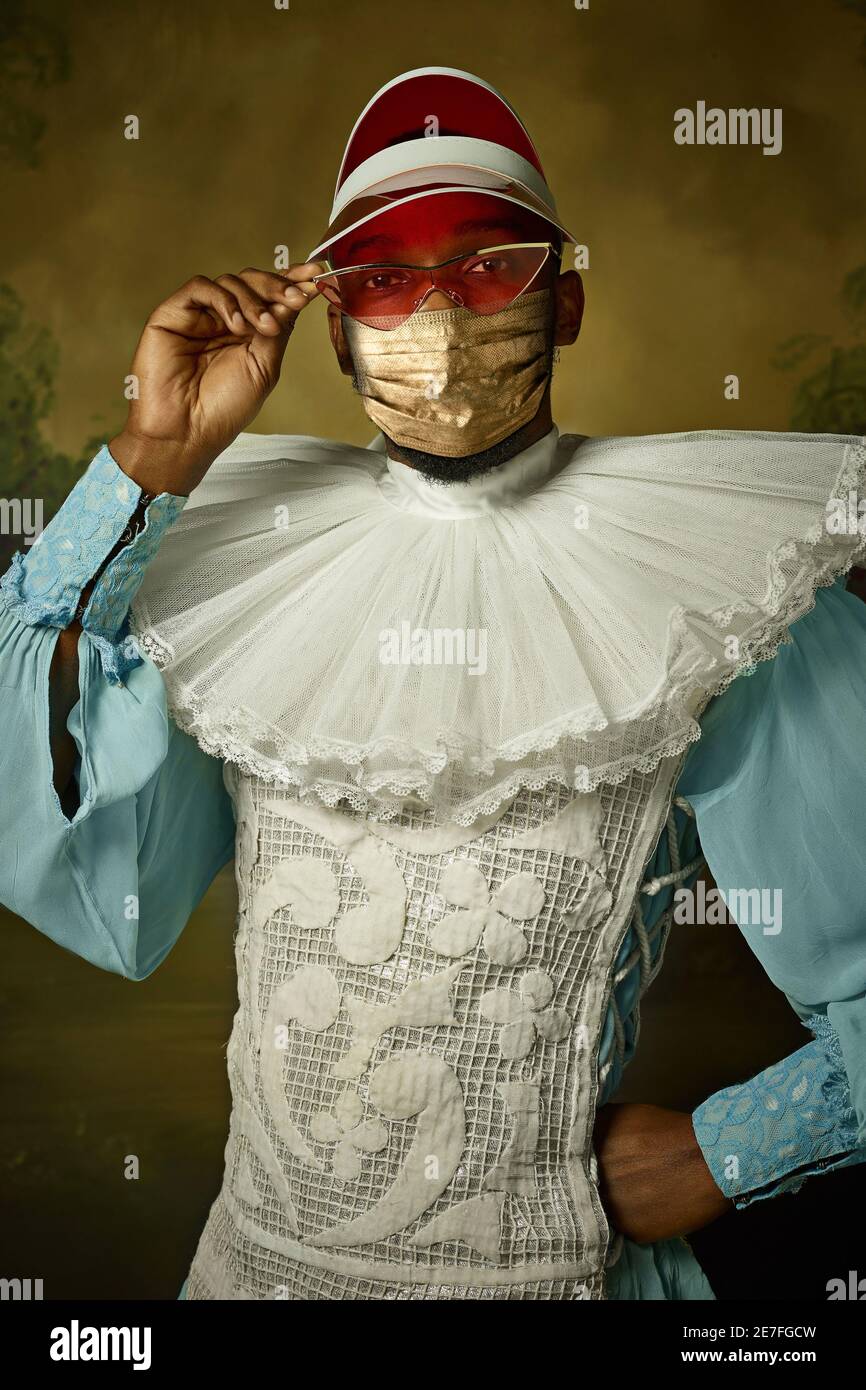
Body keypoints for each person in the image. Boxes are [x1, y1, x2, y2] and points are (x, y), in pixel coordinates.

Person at [1, 66, 865, 1301]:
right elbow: (97, 884)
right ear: (336, 323)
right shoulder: (236, 554)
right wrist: (152, 455)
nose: (440, 319)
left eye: (486, 267)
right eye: (386, 280)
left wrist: (720, 1155)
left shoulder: (724, 587)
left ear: (562, 302)